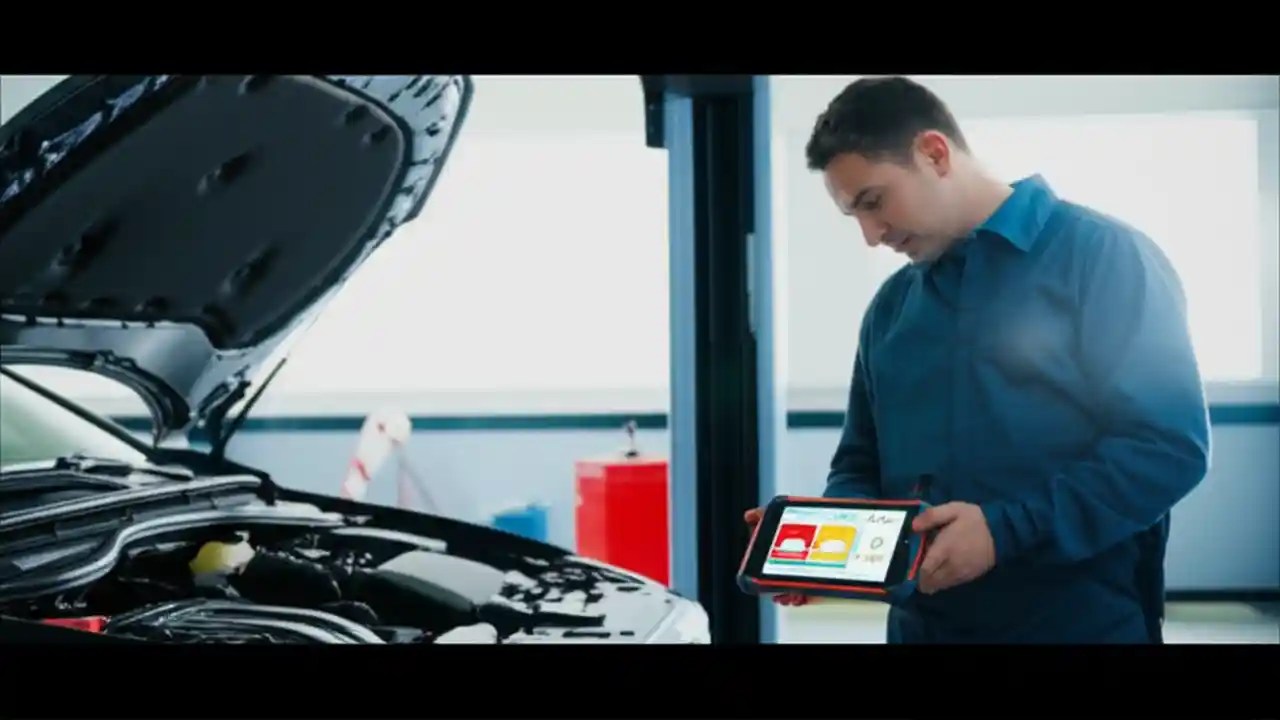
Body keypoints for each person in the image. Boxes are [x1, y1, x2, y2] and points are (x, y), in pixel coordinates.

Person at [745, 76, 1210, 643]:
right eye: (855, 216)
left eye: (874, 201)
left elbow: (1168, 448)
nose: (872, 235)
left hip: (1078, 626)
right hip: (923, 629)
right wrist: (839, 546)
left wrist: (1004, 531)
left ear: (934, 153)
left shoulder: (1105, 258)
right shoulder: (891, 309)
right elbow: (859, 463)